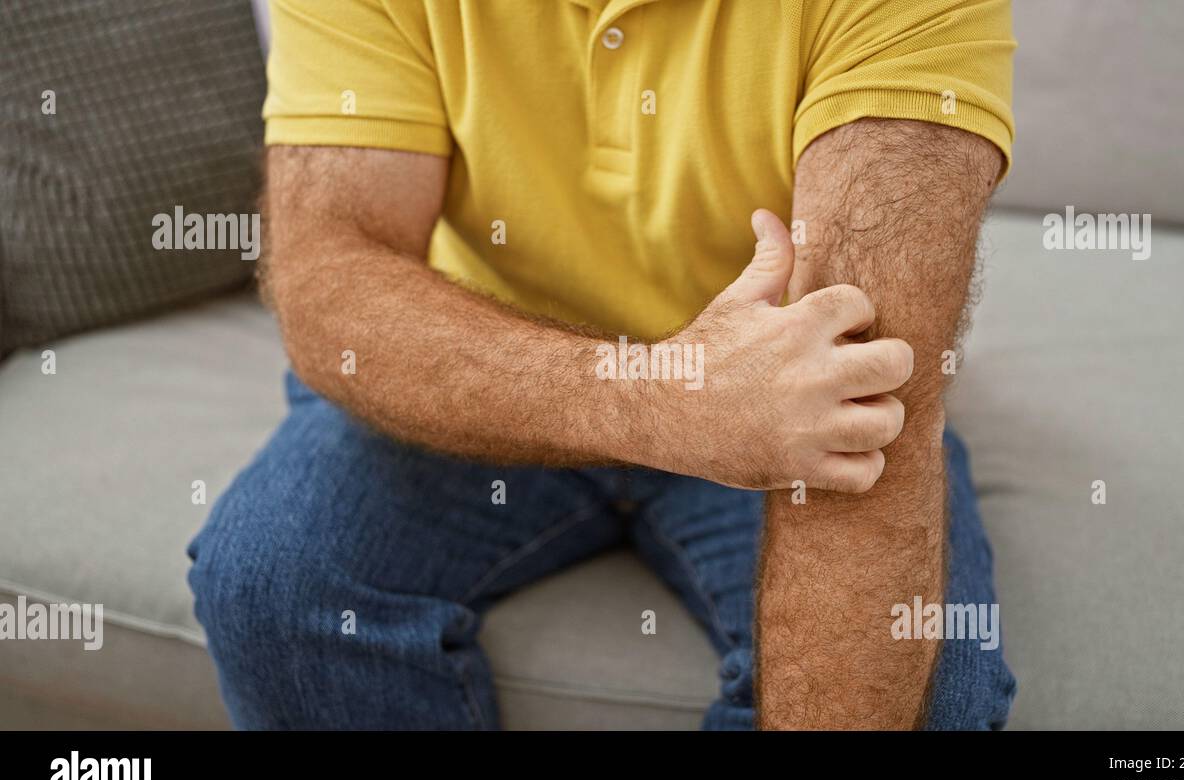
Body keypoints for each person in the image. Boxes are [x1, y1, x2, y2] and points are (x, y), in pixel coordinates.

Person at [187, 0, 1018, 729]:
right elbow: (331, 269)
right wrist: (663, 401)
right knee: (271, 587)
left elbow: (861, 376)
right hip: (495, 372)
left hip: (779, 402)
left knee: (926, 698)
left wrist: (701, 404)